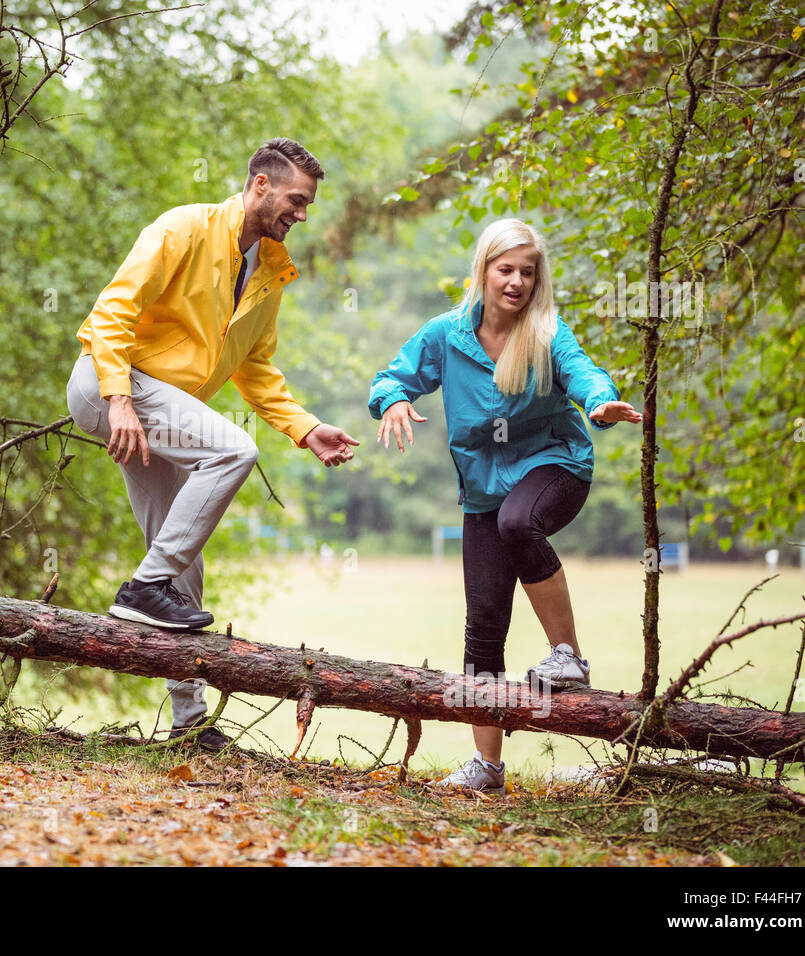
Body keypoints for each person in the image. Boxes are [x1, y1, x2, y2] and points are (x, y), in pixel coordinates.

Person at [67, 138, 359, 750]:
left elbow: (254, 365)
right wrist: (119, 399)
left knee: (180, 559)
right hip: (109, 385)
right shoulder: (185, 228)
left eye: (307, 205)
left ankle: (189, 721)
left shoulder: (270, 268)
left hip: (156, 407)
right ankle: (142, 590)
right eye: (295, 200)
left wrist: (304, 428)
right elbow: (113, 311)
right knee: (232, 451)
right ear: (259, 185)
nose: (302, 214)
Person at [368, 218, 641, 793]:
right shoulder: (446, 335)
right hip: (482, 490)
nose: (516, 282)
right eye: (506, 269)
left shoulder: (545, 333)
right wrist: (392, 400)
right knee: (483, 626)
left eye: (527, 272)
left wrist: (601, 400)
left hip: (556, 465)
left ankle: (567, 657)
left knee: (520, 522)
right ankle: (488, 767)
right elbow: (391, 377)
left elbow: (583, 371)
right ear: (484, 271)